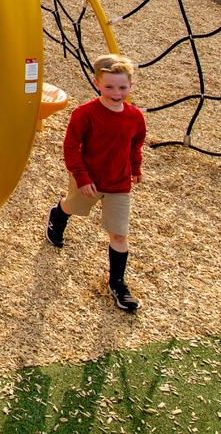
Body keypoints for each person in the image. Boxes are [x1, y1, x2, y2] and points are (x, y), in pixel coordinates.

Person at [45, 54, 147, 313]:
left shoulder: (135, 117)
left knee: (119, 234)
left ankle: (118, 283)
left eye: (122, 87)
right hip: (88, 180)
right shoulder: (85, 114)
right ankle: (58, 213)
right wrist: (81, 176)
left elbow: (135, 144)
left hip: (119, 184)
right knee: (73, 207)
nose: (116, 92)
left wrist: (135, 167)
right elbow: (71, 146)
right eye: (110, 86)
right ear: (97, 84)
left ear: (130, 86)